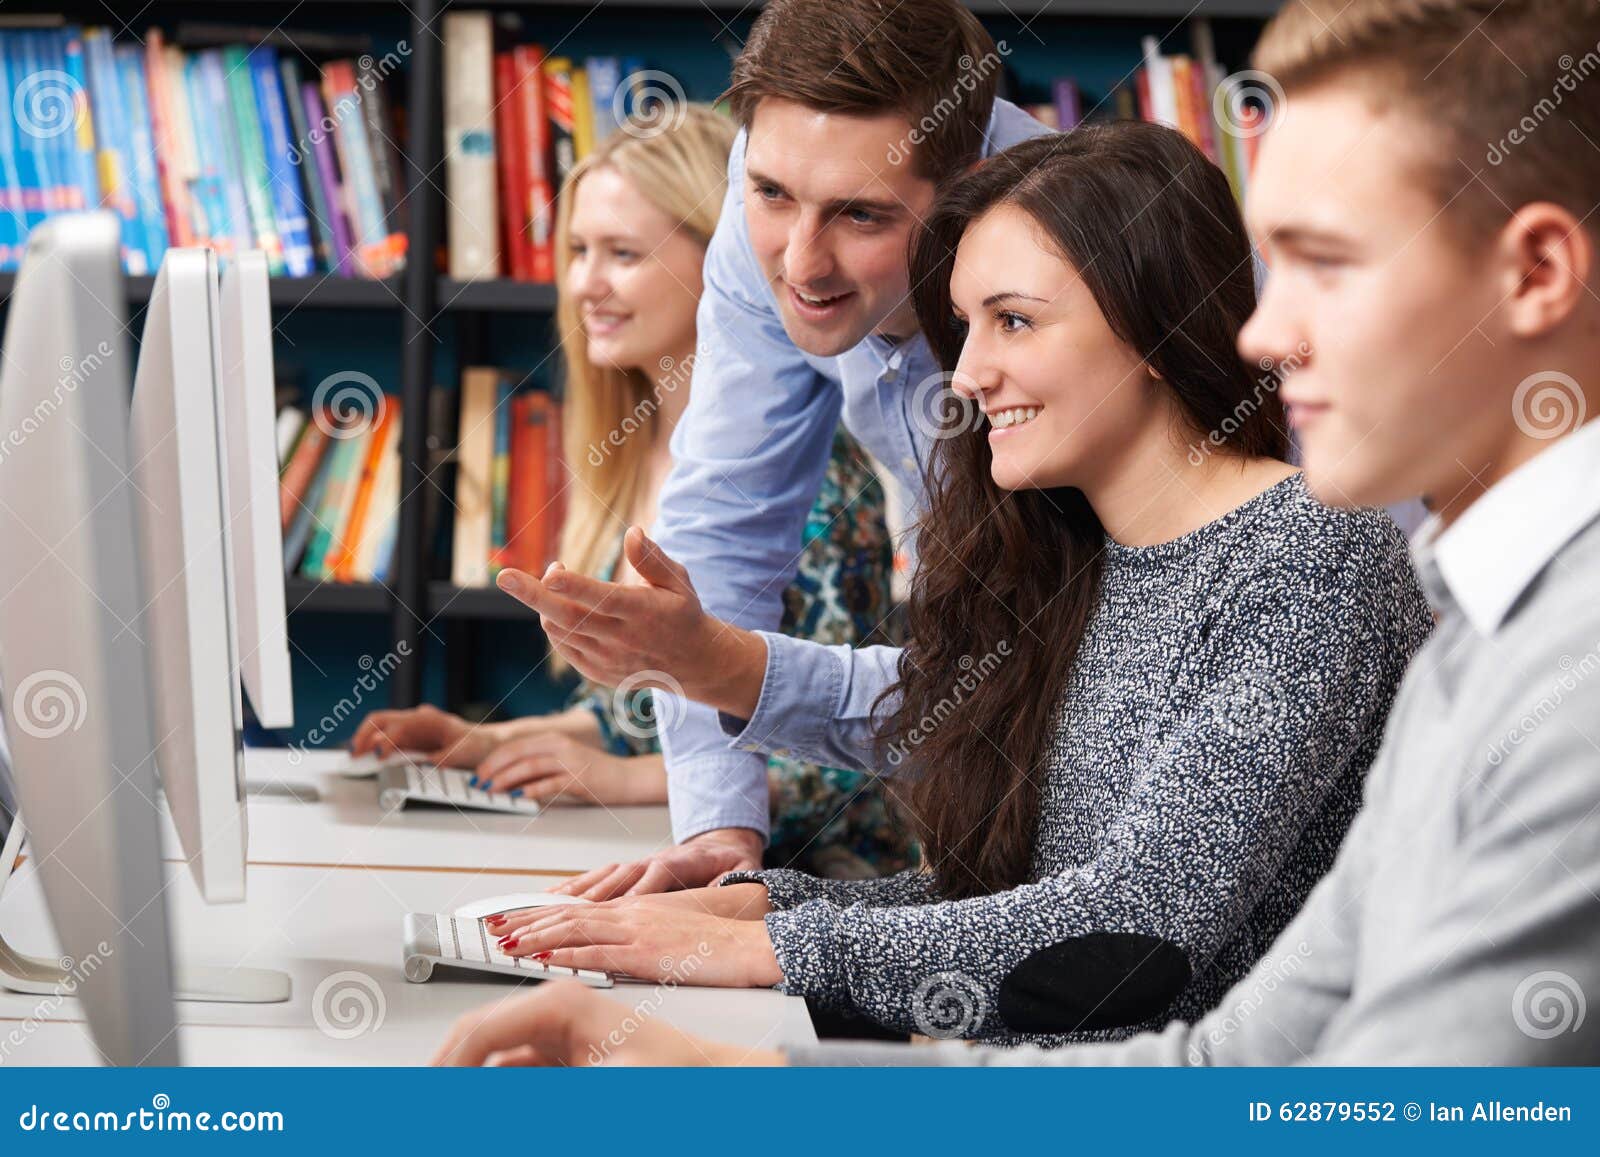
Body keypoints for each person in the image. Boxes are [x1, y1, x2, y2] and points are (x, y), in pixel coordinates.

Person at [436, 0, 1600, 1065]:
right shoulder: (1461, 636)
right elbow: (1238, 1046)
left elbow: (1146, 949)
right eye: (962, 324)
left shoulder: (1379, 587)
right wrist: (761, 905)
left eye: (1325, 262)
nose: (1263, 329)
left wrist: (764, 1015)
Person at [469, 0, 1052, 898]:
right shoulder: (776, 191)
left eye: (862, 216)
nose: (801, 263)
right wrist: (718, 827)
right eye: (773, 194)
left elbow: (1037, 668)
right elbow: (718, 549)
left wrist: (724, 662)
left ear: (969, 187)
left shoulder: (1066, 254)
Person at [350, 107, 913, 878]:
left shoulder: (813, 475)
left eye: (623, 253)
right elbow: (649, 713)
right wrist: (493, 742)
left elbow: (850, 759)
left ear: (723, 260)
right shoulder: (631, 447)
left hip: (814, 885)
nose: (587, 283)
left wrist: (620, 781)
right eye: (578, 251)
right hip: (685, 853)